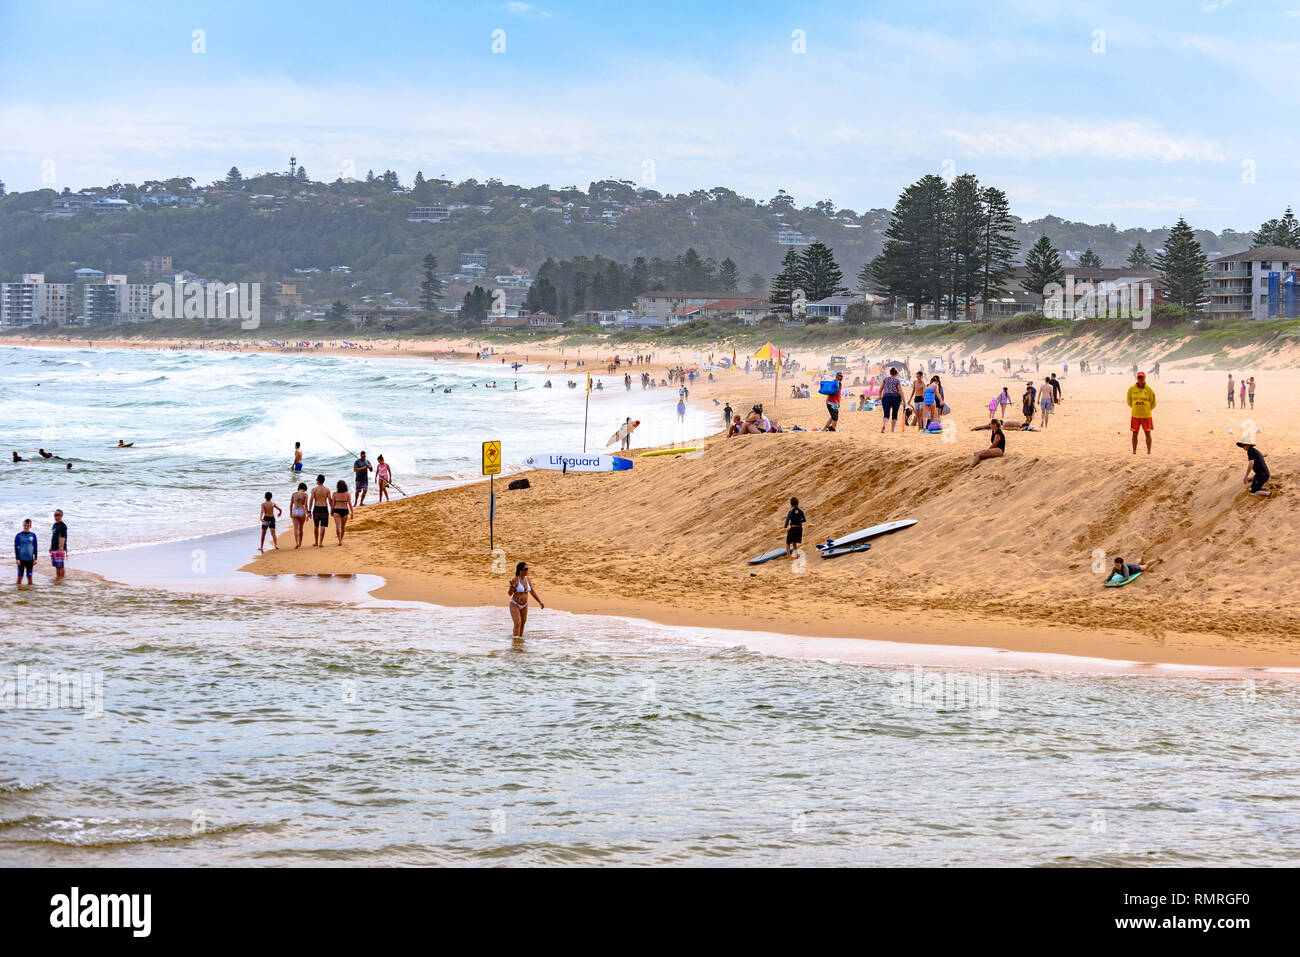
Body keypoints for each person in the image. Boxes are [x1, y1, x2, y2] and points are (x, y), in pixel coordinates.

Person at [507, 561, 544, 637]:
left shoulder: (528, 580)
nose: (527, 571)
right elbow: (509, 593)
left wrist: (539, 602)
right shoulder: (515, 580)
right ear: (520, 570)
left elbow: (532, 592)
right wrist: (512, 587)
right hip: (515, 604)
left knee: (523, 624)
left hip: (524, 605)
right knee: (517, 623)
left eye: (527, 569)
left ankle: (519, 643)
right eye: (525, 569)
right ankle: (515, 642)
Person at [1126, 371, 1156, 455]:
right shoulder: (1131, 389)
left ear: (1145, 378)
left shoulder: (1149, 390)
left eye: (1142, 378)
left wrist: (1146, 409)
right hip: (1135, 415)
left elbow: (1153, 403)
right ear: (1137, 378)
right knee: (1134, 433)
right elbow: (1129, 402)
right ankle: (1134, 451)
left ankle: (1149, 451)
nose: (1141, 379)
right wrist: (1136, 407)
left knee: (1148, 433)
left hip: (1146, 415)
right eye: (1139, 378)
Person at [309, 474, 332, 547]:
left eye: (317, 480)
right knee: (323, 526)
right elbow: (330, 500)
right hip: (324, 508)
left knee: (316, 526)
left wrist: (309, 510)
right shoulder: (327, 489)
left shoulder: (314, 489)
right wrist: (332, 509)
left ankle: (316, 542)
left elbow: (311, 500)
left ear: (318, 481)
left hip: (316, 508)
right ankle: (321, 542)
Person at [15, 518, 37, 586]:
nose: (26, 526)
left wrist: (35, 558)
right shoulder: (19, 535)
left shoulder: (33, 535)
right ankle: (17, 594)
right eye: (24, 525)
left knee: (30, 578)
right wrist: (17, 559)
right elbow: (16, 548)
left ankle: (29, 594)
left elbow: (35, 547)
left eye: (27, 525)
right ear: (23, 525)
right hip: (21, 559)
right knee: (20, 577)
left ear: (30, 526)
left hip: (30, 559)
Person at [331, 480, 354, 545]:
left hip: (337, 510)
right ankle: (341, 539)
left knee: (338, 527)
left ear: (337, 486)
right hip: (345, 510)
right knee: (343, 527)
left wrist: (331, 511)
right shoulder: (347, 494)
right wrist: (352, 512)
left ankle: (339, 541)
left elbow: (332, 504)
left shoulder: (334, 494)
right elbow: (350, 504)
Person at [50, 509, 67, 582]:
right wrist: (50, 546)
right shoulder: (55, 525)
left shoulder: (63, 526)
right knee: (56, 566)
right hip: (54, 548)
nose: (55, 516)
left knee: (61, 566)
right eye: (54, 515)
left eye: (56, 515)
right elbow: (53, 536)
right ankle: (58, 578)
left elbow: (63, 538)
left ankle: (61, 579)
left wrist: (60, 549)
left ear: (61, 516)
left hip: (60, 548)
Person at [289, 482, 308, 548]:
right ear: (304, 489)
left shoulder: (293, 494)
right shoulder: (305, 495)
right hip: (301, 511)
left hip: (295, 511)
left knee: (295, 528)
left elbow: (291, 504)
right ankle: (300, 543)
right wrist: (308, 513)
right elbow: (305, 505)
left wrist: (290, 513)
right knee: (301, 528)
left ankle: (296, 542)